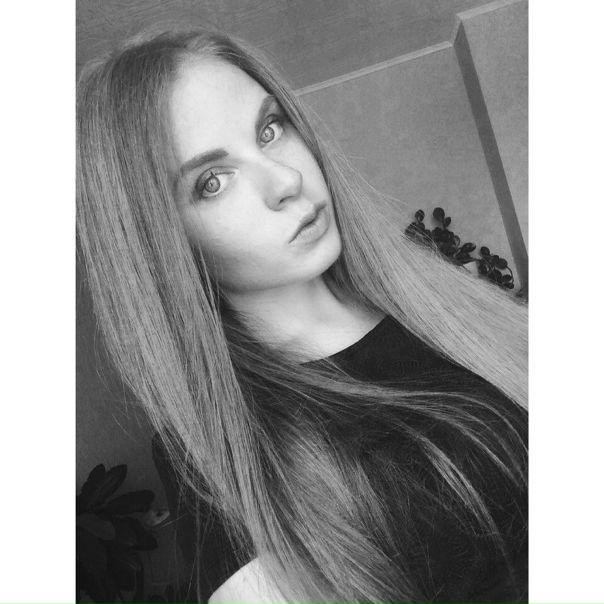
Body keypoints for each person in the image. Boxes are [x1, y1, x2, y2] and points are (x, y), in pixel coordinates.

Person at [77, 25, 528, 604]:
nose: (286, 181)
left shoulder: (435, 301)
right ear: (163, 244)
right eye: (212, 182)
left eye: (270, 129)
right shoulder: (217, 452)